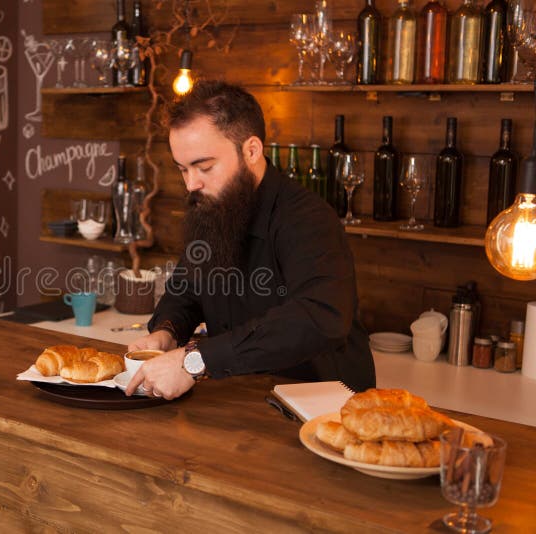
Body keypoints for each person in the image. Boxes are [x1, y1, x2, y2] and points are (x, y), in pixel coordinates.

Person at [125, 80, 375, 400]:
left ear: (251, 150)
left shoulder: (307, 218)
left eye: (204, 167)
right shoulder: (211, 205)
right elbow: (187, 289)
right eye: (183, 169)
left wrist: (197, 361)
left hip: (322, 405)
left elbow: (319, 318)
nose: (191, 184)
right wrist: (165, 332)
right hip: (240, 398)